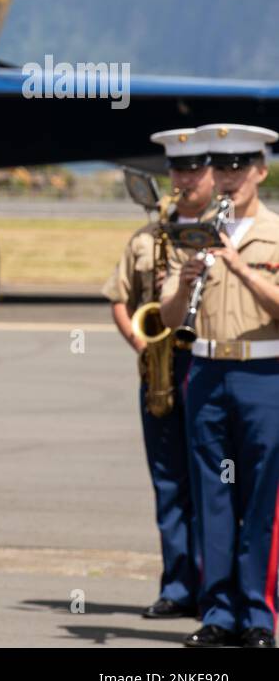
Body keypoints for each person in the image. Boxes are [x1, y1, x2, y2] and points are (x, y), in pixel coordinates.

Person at [161, 123, 279, 648]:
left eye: (239, 167)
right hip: (207, 370)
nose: (229, 177)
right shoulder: (194, 230)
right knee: (212, 495)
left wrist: (241, 268)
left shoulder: (276, 233)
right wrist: (186, 280)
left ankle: (259, 613)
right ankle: (218, 611)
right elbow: (165, 315)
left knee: (262, 497)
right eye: (221, 167)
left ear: (261, 169)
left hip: (262, 372)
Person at [103, 127, 214, 619]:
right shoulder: (147, 236)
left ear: (214, 173)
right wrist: (140, 342)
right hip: (161, 366)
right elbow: (119, 298)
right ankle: (177, 584)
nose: (185, 178)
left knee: (213, 480)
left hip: (211, 362)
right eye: (177, 168)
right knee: (169, 480)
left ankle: (218, 585)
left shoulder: (226, 231)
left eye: (195, 168)